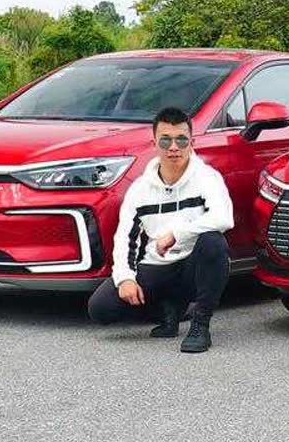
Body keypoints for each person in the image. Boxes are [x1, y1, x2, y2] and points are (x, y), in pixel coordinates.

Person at [87, 107, 234, 353]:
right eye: (165, 140)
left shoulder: (207, 178)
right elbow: (125, 238)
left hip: (192, 266)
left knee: (214, 242)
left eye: (181, 140)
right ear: (154, 143)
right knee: (100, 309)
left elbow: (223, 218)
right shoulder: (140, 188)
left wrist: (177, 234)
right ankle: (168, 310)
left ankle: (200, 325)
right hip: (158, 266)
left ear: (191, 142)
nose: (173, 147)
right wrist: (125, 278)